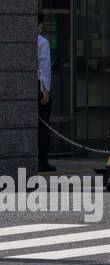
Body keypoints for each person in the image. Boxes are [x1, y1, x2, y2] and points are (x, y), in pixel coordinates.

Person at [36, 12, 54, 172]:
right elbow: (44, 67)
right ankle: (43, 160)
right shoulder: (42, 42)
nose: (42, 28)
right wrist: (45, 90)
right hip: (39, 87)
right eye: (41, 24)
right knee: (43, 124)